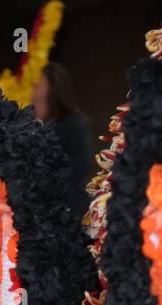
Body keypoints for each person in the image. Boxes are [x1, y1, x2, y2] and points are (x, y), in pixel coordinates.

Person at [31, 63, 94, 224]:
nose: (32, 92)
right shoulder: (27, 125)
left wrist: (47, 178)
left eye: (37, 86)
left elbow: (83, 163)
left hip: (69, 212)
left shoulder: (73, 123)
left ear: (53, 89)